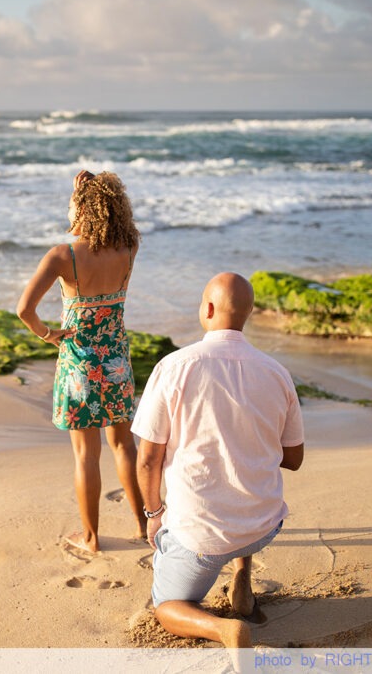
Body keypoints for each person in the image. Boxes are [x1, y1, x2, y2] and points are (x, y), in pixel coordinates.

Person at [132, 272, 304, 648]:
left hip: (203, 538)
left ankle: (224, 629)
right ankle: (242, 578)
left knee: (168, 605)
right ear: (249, 313)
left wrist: (153, 514)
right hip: (263, 525)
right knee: (240, 475)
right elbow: (293, 459)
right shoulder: (277, 373)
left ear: (207, 309)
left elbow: (147, 460)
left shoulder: (174, 367)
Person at [17, 169, 147, 554]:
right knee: (124, 445)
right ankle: (142, 524)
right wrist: (91, 192)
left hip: (79, 366)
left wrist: (47, 334)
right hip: (117, 362)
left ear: (83, 208)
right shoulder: (129, 249)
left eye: (73, 203)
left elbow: (25, 309)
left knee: (86, 454)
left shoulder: (63, 256)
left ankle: (91, 538)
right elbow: (119, 228)